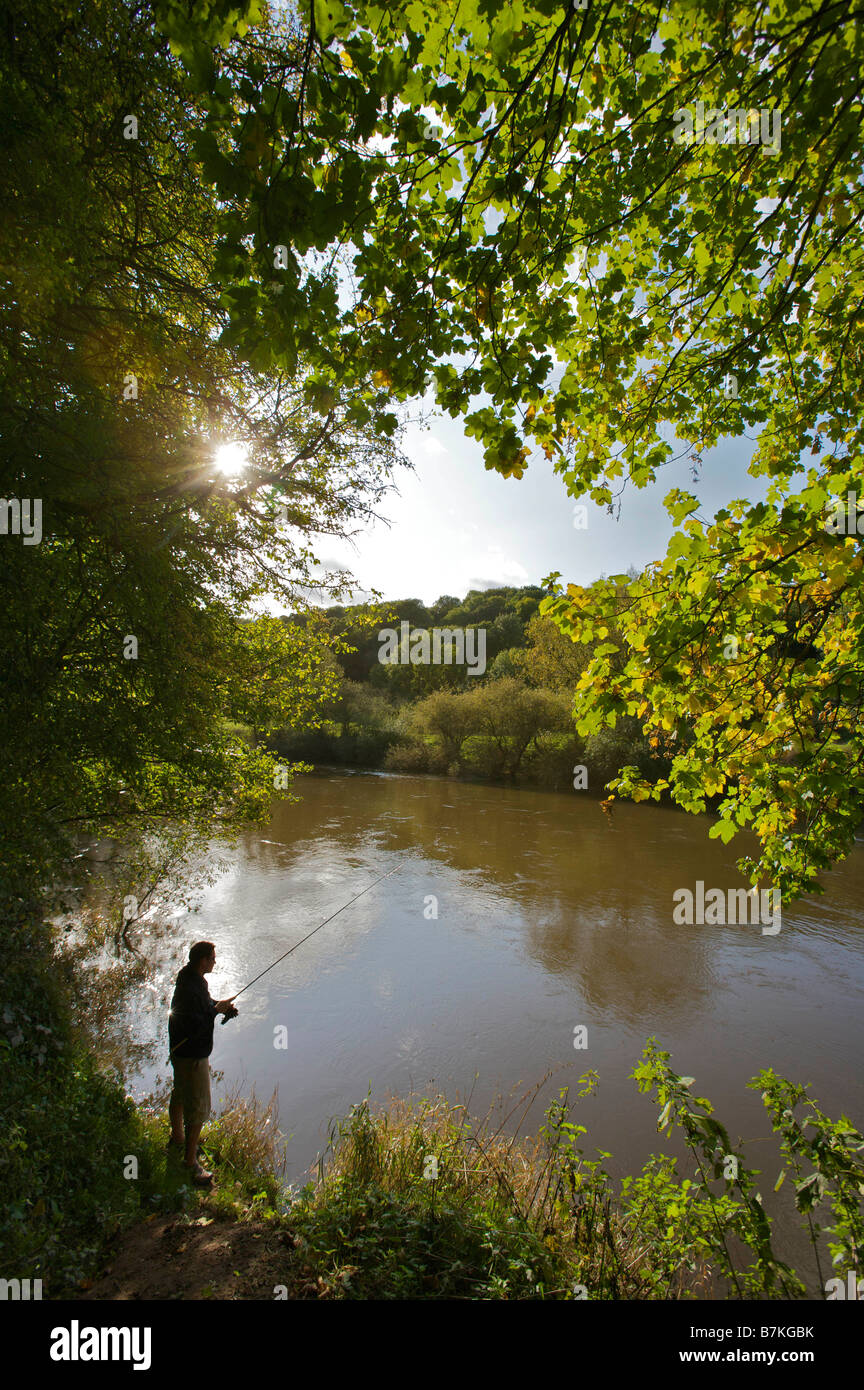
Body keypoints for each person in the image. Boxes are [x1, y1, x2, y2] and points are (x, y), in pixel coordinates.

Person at [168, 941, 236, 1185]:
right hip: (192, 1056)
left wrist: (219, 1007)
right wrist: (215, 1010)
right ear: (203, 961)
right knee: (198, 1106)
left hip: (178, 1051)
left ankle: (177, 1138)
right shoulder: (193, 986)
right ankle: (190, 1163)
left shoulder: (189, 979)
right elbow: (196, 1022)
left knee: (179, 1093)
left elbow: (201, 1007)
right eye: (212, 958)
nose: (215, 962)